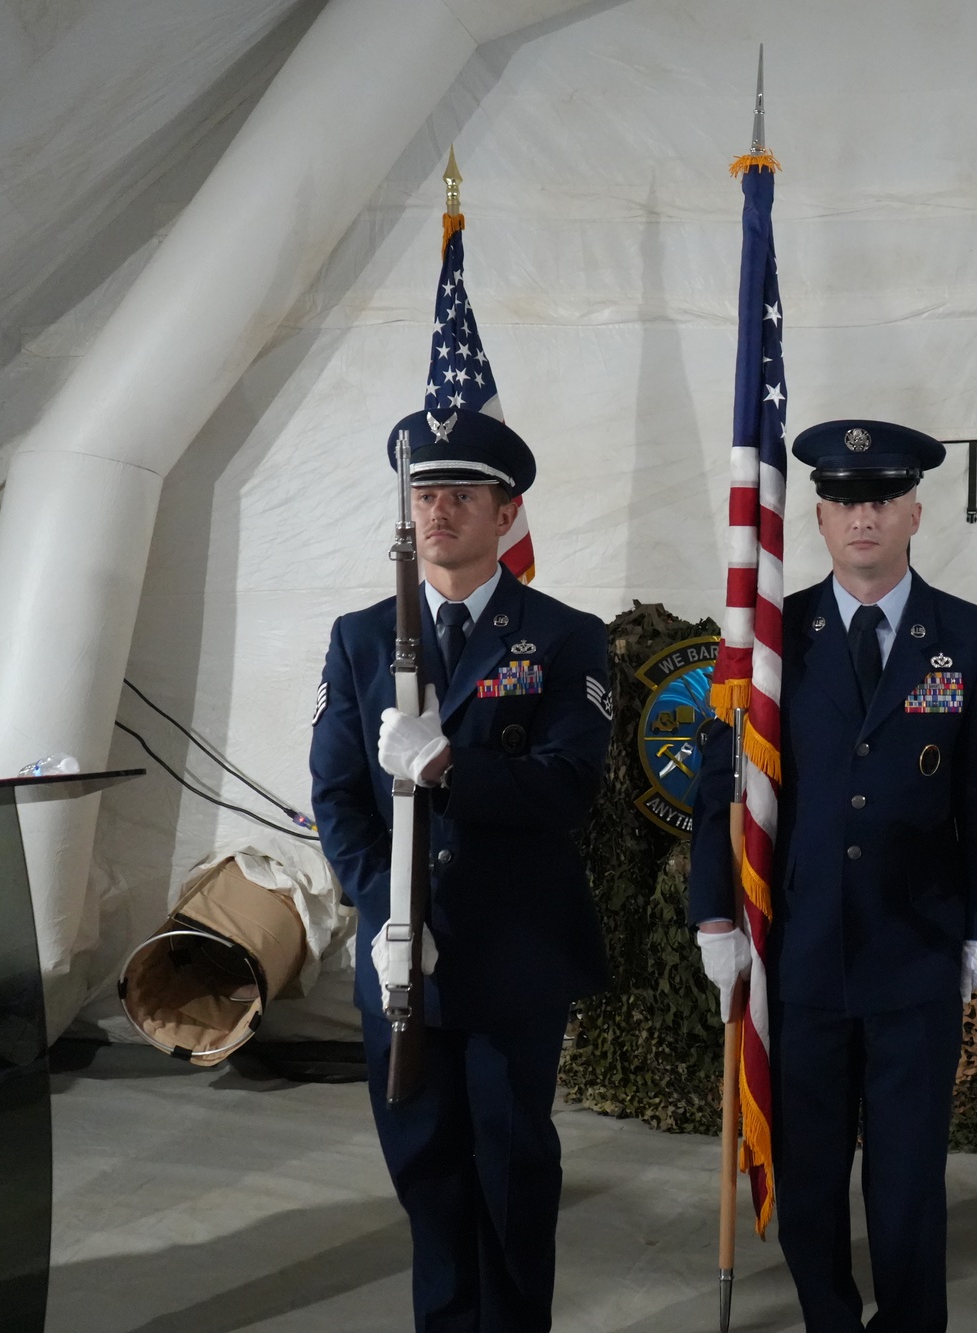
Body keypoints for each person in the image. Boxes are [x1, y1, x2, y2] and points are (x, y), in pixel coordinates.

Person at [689, 420, 977, 1333]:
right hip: (800, 951)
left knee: (910, 1173)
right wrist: (715, 918)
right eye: (842, 502)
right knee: (808, 1167)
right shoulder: (766, 640)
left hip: (916, 947)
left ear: (915, 511)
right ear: (819, 519)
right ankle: (829, 1318)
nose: (861, 517)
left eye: (880, 500)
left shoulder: (974, 639)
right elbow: (722, 790)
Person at [311, 407, 612, 1332]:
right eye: (426, 492)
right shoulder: (362, 638)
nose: (439, 510)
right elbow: (338, 797)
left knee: (513, 1169)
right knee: (427, 1175)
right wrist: (387, 907)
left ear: (505, 511)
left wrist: (446, 765)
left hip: (511, 958)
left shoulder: (565, 636)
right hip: (404, 965)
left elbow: (568, 787)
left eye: (463, 494)